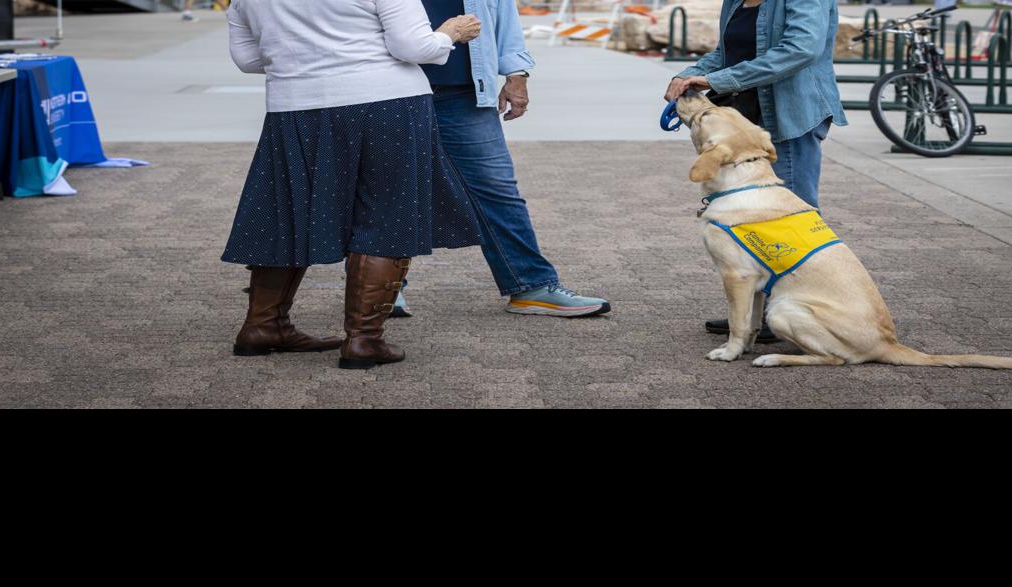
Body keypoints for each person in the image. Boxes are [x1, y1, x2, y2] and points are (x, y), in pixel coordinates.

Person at [221, 0, 483, 369]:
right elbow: (414, 47)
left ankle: (263, 326)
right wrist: (450, 33)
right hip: (386, 101)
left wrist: (309, 54)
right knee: (386, 215)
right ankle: (364, 340)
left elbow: (248, 59)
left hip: (293, 105)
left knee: (288, 212)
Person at [391, 0, 611, 319]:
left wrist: (517, 72)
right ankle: (382, 288)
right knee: (392, 188)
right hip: (390, 87)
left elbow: (504, 14)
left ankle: (531, 286)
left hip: (465, 92)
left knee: (497, 189)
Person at [665, 0, 845, 342]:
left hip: (792, 115)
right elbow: (727, 51)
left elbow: (800, 49)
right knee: (753, 224)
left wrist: (719, 79)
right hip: (749, 116)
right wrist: (690, 75)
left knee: (790, 220)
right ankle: (753, 317)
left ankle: (808, 312)